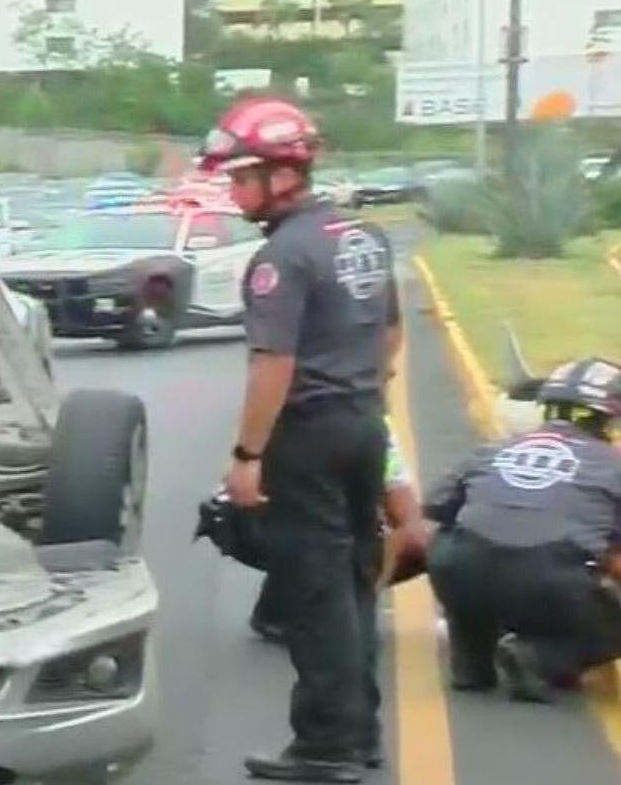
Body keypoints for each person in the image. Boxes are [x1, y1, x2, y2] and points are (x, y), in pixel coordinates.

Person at [200, 96, 402, 784]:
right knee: (355, 582)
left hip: (309, 436)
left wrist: (248, 456)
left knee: (316, 594)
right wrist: (362, 391)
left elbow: (273, 364)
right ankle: (361, 733)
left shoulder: (281, 256)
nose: (234, 192)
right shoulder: (364, 236)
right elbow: (390, 332)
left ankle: (326, 744)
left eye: (241, 177)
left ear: (282, 174)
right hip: (364, 425)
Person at [422, 356, 621, 702]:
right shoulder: (613, 464)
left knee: (455, 539)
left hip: (460, 572)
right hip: (546, 581)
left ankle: (471, 653)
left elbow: (435, 504)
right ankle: (539, 658)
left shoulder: (494, 449)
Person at [248, 428, 431, 644]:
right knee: (319, 531)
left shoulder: (376, 431)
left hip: (335, 530)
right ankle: (282, 602)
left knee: (426, 543)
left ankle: (349, 604)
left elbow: (412, 526)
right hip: (268, 521)